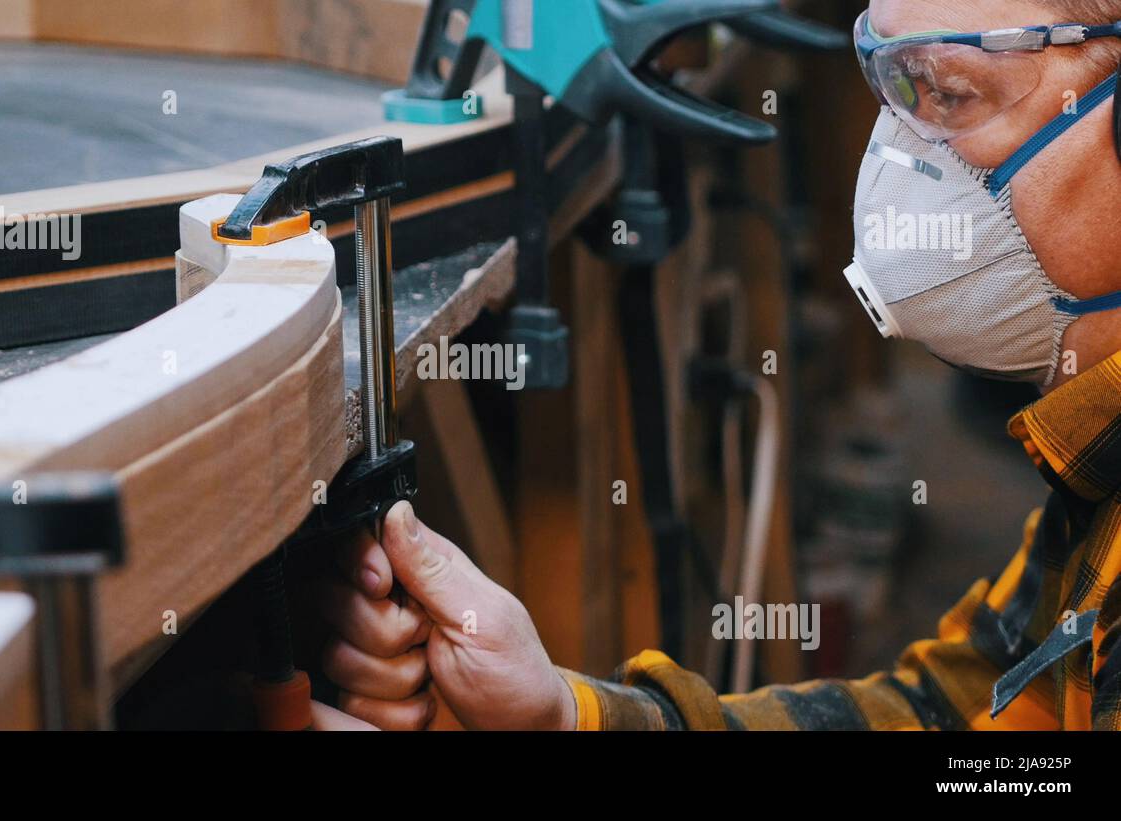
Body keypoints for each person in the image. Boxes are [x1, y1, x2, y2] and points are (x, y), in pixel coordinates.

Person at [313, 0, 1121, 730]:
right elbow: (963, 713)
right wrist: (566, 716)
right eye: (895, 91)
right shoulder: (1093, 454)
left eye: (950, 94)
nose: (899, 173)